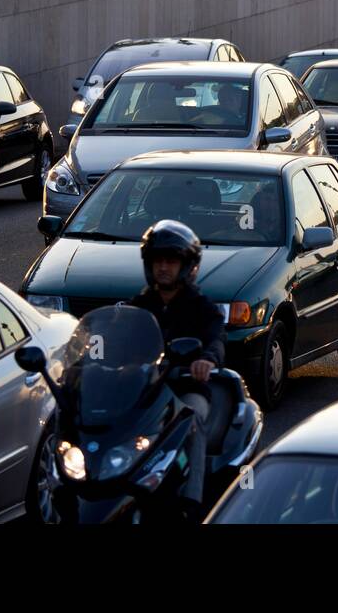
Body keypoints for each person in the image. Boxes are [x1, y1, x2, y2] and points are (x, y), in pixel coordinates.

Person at [131, 220, 226, 521]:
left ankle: (191, 503)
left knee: (192, 421)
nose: (163, 267)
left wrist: (206, 359)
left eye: (171, 261)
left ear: (187, 266)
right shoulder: (140, 305)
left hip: (187, 389)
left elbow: (217, 340)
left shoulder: (202, 307)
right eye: (158, 261)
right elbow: (121, 338)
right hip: (146, 391)